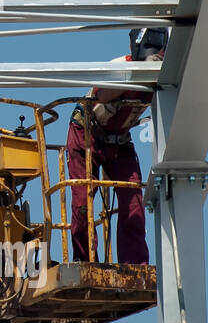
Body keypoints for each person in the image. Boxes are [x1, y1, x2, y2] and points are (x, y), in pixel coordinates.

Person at [64, 27, 167, 265]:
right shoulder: (121, 66)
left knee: (133, 206)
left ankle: (134, 265)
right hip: (86, 133)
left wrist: (161, 78)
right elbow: (103, 95)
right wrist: (139, 74)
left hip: (119, 140)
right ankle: (86, 261)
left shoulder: (161, 77)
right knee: (82, 203)